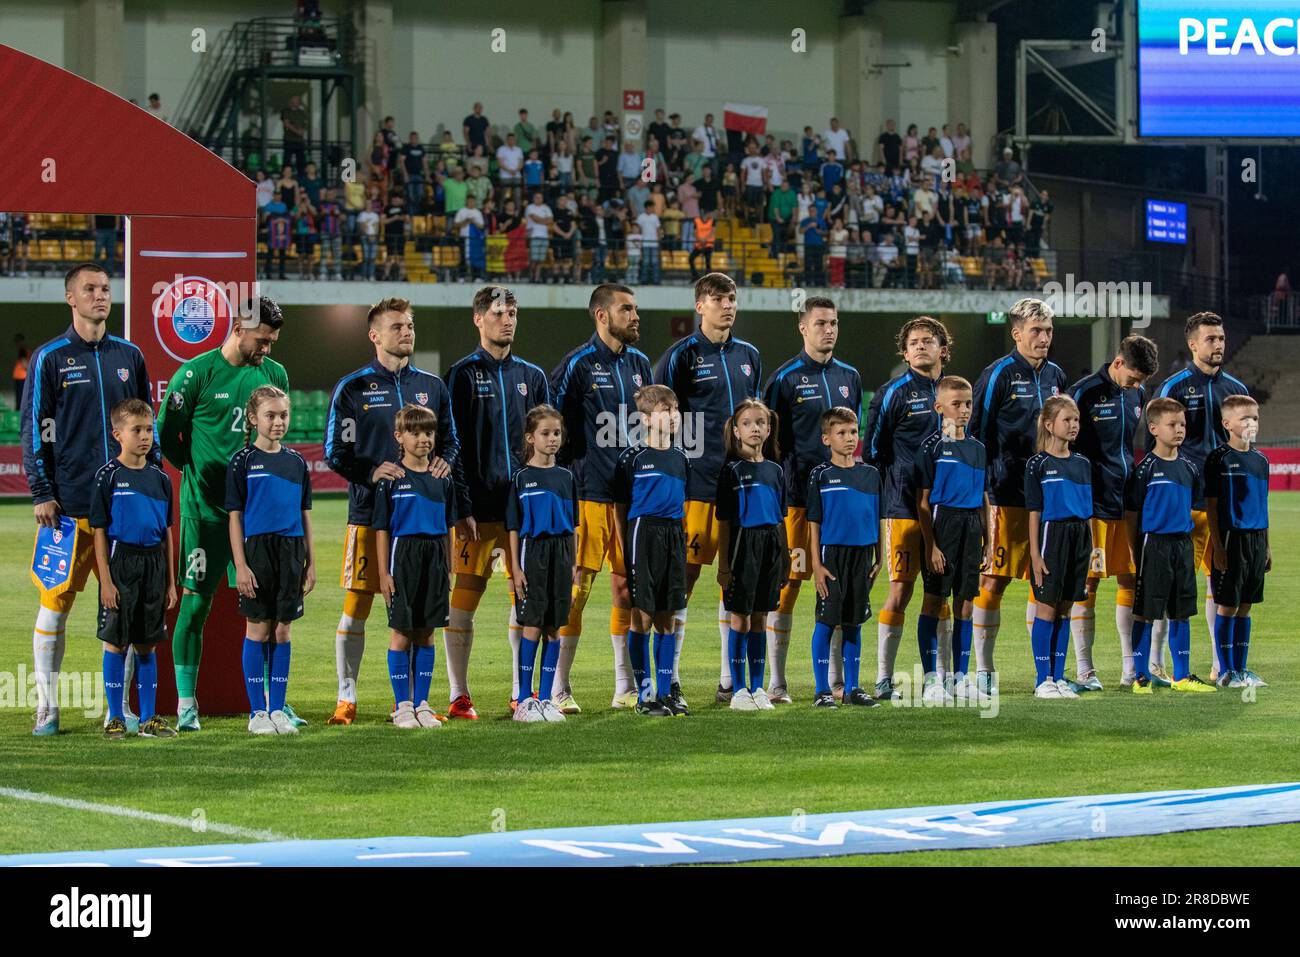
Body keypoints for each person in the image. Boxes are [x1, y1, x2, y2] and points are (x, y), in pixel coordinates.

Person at [25, 264, 157, 737]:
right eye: (90, 289)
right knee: (53, 609)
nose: (100, 296)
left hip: (122, 513)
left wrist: (153, 473)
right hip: (67, 511)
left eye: (105, 288)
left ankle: (116, 712)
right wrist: (42, 491)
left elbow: (147, 421)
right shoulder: (51, 358)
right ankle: (47, 707)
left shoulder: (130, 355)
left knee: (121, 612)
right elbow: (35, 429)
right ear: (70, 298)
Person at [156, 296, 290, 732]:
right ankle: (187, 704)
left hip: (257, 517)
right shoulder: (197, 373)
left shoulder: (274, 375)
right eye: (262, 340)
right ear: (238, 327)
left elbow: (275, 435)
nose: (266, 350)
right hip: (205, 512)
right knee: (194, 609)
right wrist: (196, 469)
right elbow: (168, 436)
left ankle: (273, 704)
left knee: (267, 611)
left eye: (271, 342)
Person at [324, 298, 460, 724]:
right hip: (371, 516)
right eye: (398, 326)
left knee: (421, 616)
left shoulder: (432, 387)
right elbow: (334, 451)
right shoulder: (353, 388)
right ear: (375, 335)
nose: (407, 332)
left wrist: (446, 461)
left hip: (425, 520)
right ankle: (347, 696)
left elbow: (452, 441)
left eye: (410, 325)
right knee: (358, 604)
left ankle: (416, 701)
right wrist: (370, 471)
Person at [654, 272, 762, 708]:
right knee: (684, 580)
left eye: (732, 298)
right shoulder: (680, 356)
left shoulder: (750, 355)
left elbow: (756, 420)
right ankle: (672, 677)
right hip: (695, 487)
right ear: (700, 306)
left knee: (738, 582)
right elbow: (659, 422)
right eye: (718, 299)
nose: (727, 305)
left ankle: (728, 680)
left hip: (742, 487)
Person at [445, 287, 551, 716]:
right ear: (478, 319)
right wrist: (463, 506)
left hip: (522, 513)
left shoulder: (533, 376)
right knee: (464, 600)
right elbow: (453, 447)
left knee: (524, 601)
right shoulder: (463, 374)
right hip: (479, 512)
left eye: (512, 312)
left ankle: (520, 692)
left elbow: (547, 445)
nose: (507, 319)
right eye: (498, 312)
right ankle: (458, 694)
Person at [551, 284, 654, 710]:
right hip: (587, 492)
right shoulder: (575, 365)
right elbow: (550, 426)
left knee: (626, 590)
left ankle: (624, 686)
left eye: (635, 309)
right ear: (601, 315)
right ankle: (558, 686)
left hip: (630, 497)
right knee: (576, 589)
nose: (634, 316)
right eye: (625, 309)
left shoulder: (641, 365)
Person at [967, 298, 1068, 696]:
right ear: (1017, 333)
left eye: (1048, 331)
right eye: (1036, 331)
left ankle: (1044, 674)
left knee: (1043, 583)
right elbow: (977, 432)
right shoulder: (999, 374)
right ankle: (984, 668)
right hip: (1005, 494)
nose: (1044, 338)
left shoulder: (1057, 375)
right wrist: (983, 490)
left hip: (1048, 499)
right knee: (994, 580)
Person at [762, 298, 861, 702]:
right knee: (786, 588)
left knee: (837, 588)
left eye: (834, 322)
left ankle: (837, 681)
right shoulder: (784, 378)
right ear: (803, 328)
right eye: (820, 323)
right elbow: (767, 443)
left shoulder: (850, 376)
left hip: (840, 503)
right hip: (797, 501)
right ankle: (778, 682)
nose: (829, 330)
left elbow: (855, 438)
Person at [1148, 312, 1249, 682]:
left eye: (1221, 338)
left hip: (1223, 504)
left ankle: (1220, 663)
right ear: (1193, 344)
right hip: (1183, 502)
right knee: (1172, 580)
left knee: (1218, 581)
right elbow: (1155, 445)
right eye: (1211, 339)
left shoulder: (1236, 389)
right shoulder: (1173, 386)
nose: (1218, 344)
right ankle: (1155, 661)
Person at [864, 317, 950, 700]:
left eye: (928, 341)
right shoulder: (892, 392)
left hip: (947, 509)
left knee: (940, 593)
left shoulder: (955, 393)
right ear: (905, 351)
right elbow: (873, 451)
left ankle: (940, 678)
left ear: (942, 349)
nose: (920, 347)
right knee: (900, 590)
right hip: (901, 506)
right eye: (913, 342)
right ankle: (884, 678)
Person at [1068, 335, 1159, 689]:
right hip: (1090, 505)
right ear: (1118, 363)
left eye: (1142, 382)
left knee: (1130, 579)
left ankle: (1129, 668)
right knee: (1086, 583)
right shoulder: (1085, 392)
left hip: (1124, 503)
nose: (1137, 387)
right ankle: (1085, 669)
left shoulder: (1137, 394)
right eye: (1134, 378)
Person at [227, 387, 314, 735]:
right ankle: (257, 713)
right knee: (259, 629)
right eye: (270, 415)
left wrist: (310, 563)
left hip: (292, 552)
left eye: (283, 416)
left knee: (282, 629)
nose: (278, 422)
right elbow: (235, 517)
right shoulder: (242, 461)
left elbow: (305, 515)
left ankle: (278, 709)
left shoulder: (296, 462)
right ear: (253, 419)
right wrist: (241, 565)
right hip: (257, 553)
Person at [91, 399, 177, 739]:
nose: (144, 436)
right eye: (136, 430)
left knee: (147, 643)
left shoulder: (160, 478)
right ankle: (115, 716)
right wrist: (106, 582)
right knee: (116, 642)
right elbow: (99, 531)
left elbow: (168, 533)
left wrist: (170, 582)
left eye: (148, 429)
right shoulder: (107, 477)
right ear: (118, 434)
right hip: (121, 563)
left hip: (154, 564)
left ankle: (150, 717)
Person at [374, 404, 459, 729]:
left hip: (435, 556)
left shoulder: (442, 479)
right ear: (399, 436)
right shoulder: (392, 480)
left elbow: (449, 525)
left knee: (427, 633)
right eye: (415, 433)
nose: (423, 439)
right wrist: (384, 573)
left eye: (428, 432)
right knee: (401, 633)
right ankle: (403, 705)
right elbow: (382, 529)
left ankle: (422, 702)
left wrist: (448, 565)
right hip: (403, 556)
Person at [1126, 398, 1216, 694]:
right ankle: (1140, 676)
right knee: (1146, 611)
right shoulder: (1145, 469)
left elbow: (1193, 507)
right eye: (1172, 424)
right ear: (1153, 428)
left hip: (1182, 544)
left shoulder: (1189, 468)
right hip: (1154, 544)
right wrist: (1133, 549)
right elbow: (1132, 514)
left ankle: (1182, 675)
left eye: (1182, 424)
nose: (1179, 430)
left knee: (1181, 610)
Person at [612, 384, 691, 717]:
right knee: (642, 616)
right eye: (664, 410)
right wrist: (622, 550)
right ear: (645, 419)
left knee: (667, 618)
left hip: (673, 535)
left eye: (674, 410)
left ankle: (665, 692)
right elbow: (619, 507)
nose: (672, 416)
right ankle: (644, 696)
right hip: (642, 535)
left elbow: (682, 503)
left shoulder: (681, 458)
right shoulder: (632, 458)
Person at [914, 377, 993, 705]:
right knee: (934, 600)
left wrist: (988, 540)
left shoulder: (978, 448)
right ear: (939, 407)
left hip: (971, 527)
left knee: (965, 602)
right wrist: (931, 544)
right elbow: (922, 502)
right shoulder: (931, 447)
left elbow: (984, 497)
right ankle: (931, 680)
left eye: (968, 404)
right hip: (942, 524)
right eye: (956, 404)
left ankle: (961, 678)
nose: (964, 411)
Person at [507, 405, 579, 723]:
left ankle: (547, 698)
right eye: (546, 433)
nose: (552, 439)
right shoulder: (521, 478)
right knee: (533, 625)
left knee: (554, 626)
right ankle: (524, 700)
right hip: (533, 552)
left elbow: (574, 525)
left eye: (557, 433)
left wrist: (574, 567)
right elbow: (513, 527)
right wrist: (515, 570)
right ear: (530, 438)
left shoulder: (566, 477)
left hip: (562, 554)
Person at [806, 406, 882, 708]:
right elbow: (814, 522)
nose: (849, 438)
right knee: (826, 622)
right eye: (841, 433)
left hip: (863, 556)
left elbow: (878, 516)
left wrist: (880, 557)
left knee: (854, 622)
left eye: (853, 432)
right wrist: (816, 564)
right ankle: (821, 690)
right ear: (827, 438)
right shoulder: (820, 475)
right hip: (832, 557)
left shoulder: (871, 474)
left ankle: (852, 688)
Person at [716, 398, 787, 712]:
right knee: (741, 620)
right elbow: (724, 523)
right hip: (743, 547)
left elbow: (780, 517)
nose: (755, 428)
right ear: (736, 430)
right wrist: (724, 565)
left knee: (761, 618)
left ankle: (758, 687)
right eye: (747, 423)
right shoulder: (731, 471)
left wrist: (785, 558)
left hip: (771, 547)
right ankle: (739, 689)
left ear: (769, 429)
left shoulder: (775, 470)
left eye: (760, 423)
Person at [1024, 396, 1093, 699]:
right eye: (1067, 420)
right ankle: (1042, 680)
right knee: (1047, 608)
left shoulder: (1082, 463)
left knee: (1066, 609)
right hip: (1053, 536)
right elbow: (1034, 512)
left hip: (1080, 538)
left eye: (1076, 420)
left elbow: (1088, 510)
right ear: (1050, 425)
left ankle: (1058, 676)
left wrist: (1092, 549)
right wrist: (1035, 554)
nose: (1074, 425)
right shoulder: (1037, 464)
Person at [1204, 396, 1270, 688]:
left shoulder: (1261, 460)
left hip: (1256, 540)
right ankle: (1225, 671)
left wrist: (1267, 546)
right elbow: (1212, 507)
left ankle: (1242, 670)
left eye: (1254, 418)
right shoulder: (1219, 459)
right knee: (1227, 606)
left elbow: (1263, 505)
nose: (1251, 423)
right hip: (1230, 539)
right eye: (1245, 418)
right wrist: (1217, 546)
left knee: (1246, 605)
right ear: (1227, 424)